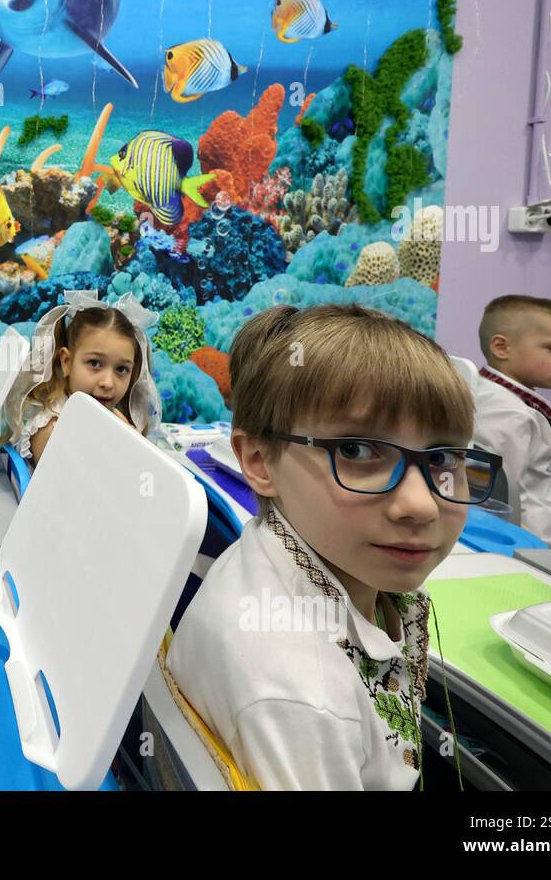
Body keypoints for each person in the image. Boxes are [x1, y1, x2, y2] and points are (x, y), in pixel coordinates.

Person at [163, 304, 498, 789]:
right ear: (259, 460)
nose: (421, 505)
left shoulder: (286, 549)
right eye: (356, 451)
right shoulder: (308, 699)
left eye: (443, 457)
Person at [470, 295, 551, 550]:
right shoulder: (514, 415)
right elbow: (511, 498)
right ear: (501, 348)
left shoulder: (481, 390)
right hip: (542, 546)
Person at [1, 290, 160, 464]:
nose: (107, 383)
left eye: (121, 369)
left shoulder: (110, 416)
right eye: (94, 363)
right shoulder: (52, 430)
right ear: (67, 362)